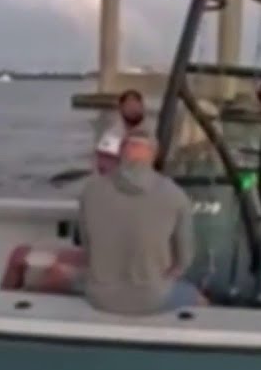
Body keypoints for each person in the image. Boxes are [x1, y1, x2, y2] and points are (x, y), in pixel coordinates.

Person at [78, 129, 208, 315]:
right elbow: (183, 261)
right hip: (152, 299)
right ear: (154, 155)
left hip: (100, 297)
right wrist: (162, 276)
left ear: (121, 152)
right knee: (197, 296)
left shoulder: (90, 190)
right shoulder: (176, 195)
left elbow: (87, 247)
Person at [94, 89, 146, 175]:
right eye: (129, 105)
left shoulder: (146, 134)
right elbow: (104, 169)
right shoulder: (112, 136)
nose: (134, 108)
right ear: (121, 108)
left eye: (137, 104)